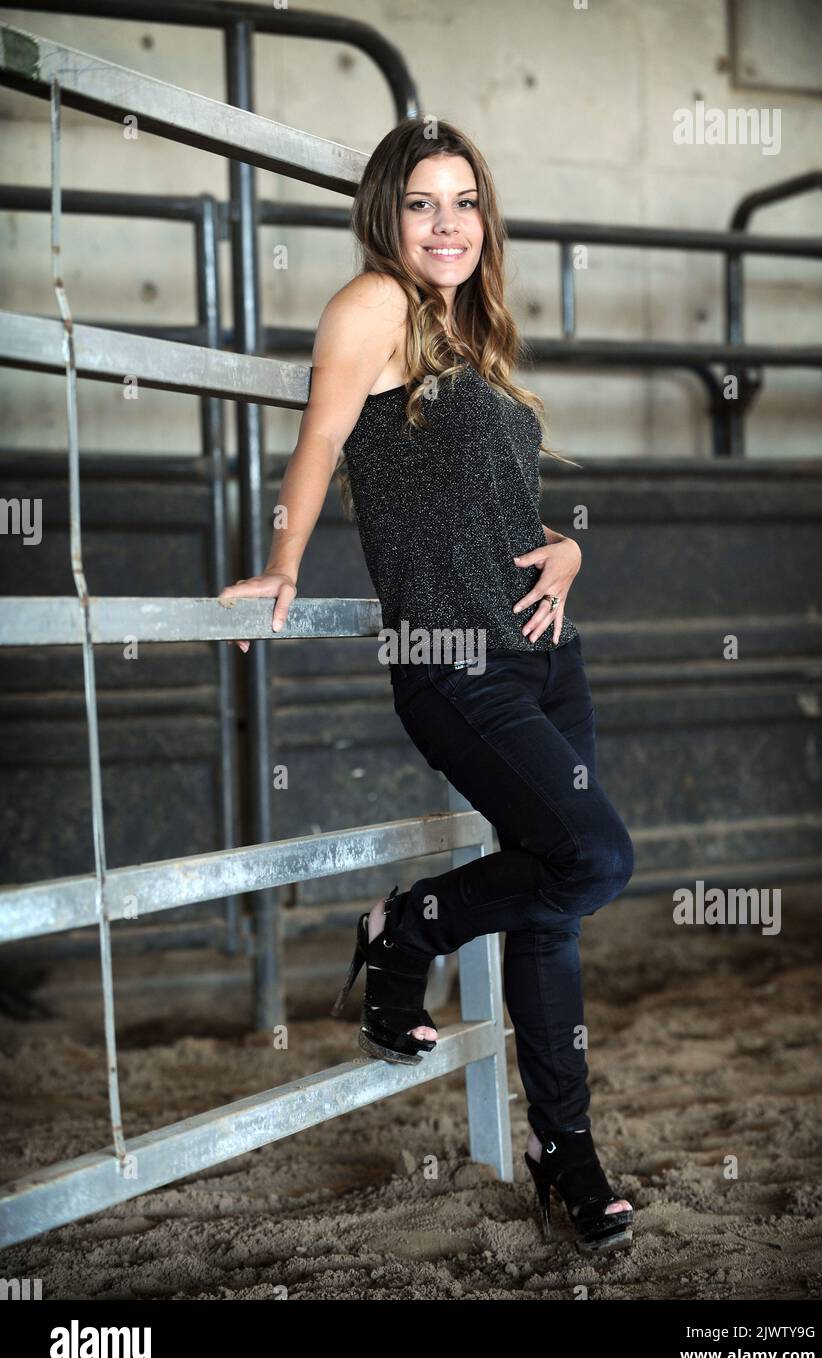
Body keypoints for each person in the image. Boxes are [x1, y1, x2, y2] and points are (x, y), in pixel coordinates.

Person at [219, 117, 635, 1253]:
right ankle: (409, 925)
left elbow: (489, 509)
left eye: (464, 201)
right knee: (593, 858)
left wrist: (569, 548)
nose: (447, 223)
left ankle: (567, 1154)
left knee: (555, 904)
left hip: (545, 648)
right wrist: (283, 562)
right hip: (451, 660)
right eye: (421, 203)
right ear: (385, 218)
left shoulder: (473, 335)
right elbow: (316, 443)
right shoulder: (371, 308)